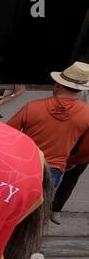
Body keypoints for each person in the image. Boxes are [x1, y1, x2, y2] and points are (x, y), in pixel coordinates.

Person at [7, 61, 89, 223]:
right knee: (34, 217)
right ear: (80, 89)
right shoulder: (86, 114)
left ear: (58, 85)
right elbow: (86, 152)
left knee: (10, 211)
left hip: (24, 165)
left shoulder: (33, 107)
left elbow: (7, 134)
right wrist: (72, 161)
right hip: (54, 169)